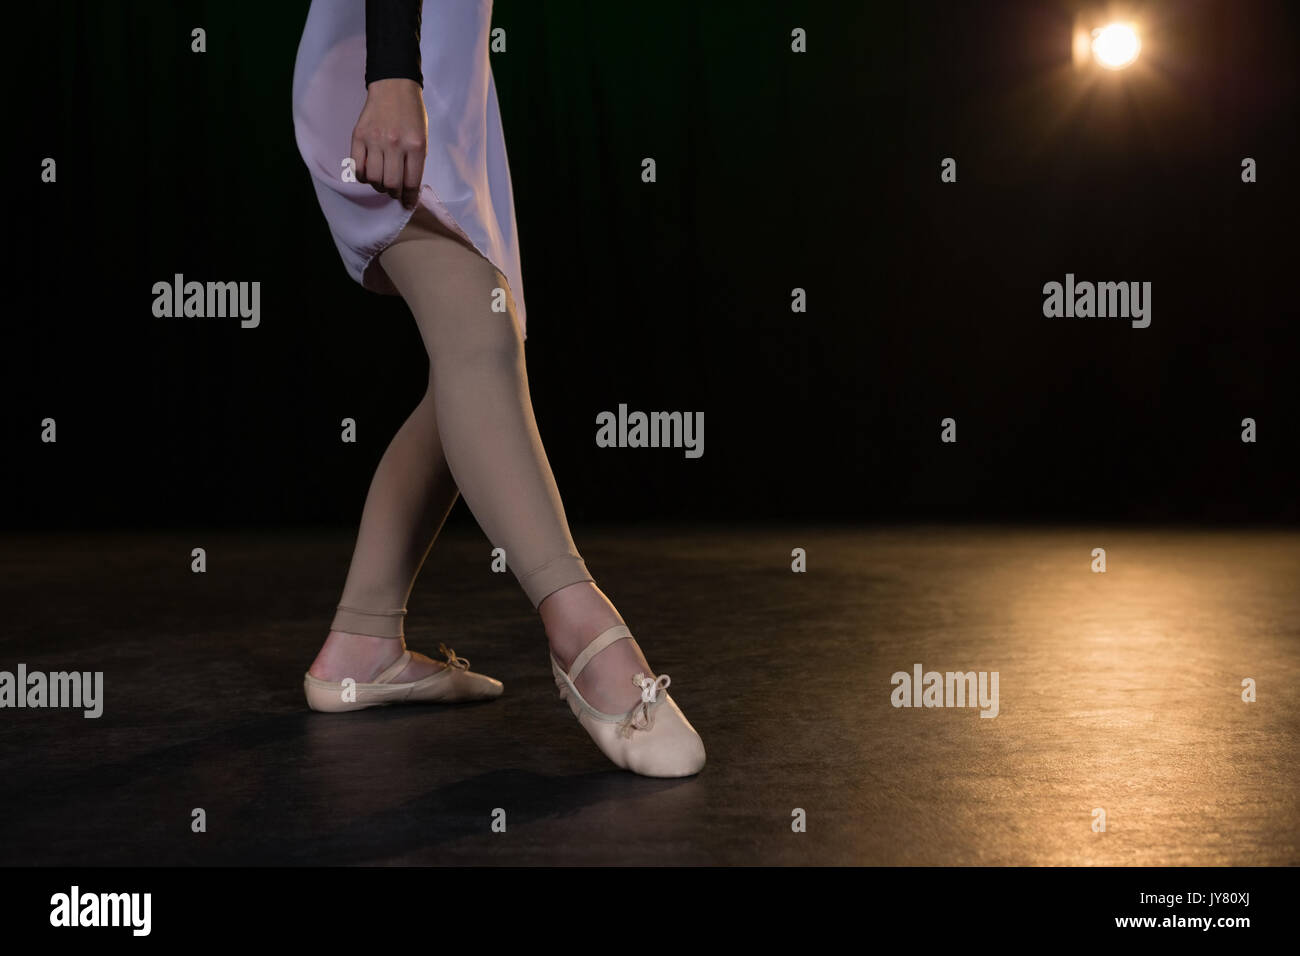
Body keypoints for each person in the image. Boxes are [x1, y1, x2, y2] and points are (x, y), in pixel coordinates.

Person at [291, 0, 704, 777]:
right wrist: (390, 74)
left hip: (451, 94)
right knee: (480, 349)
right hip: (384, 77)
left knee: (477, 370)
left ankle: (362, 642)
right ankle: (584, 632)